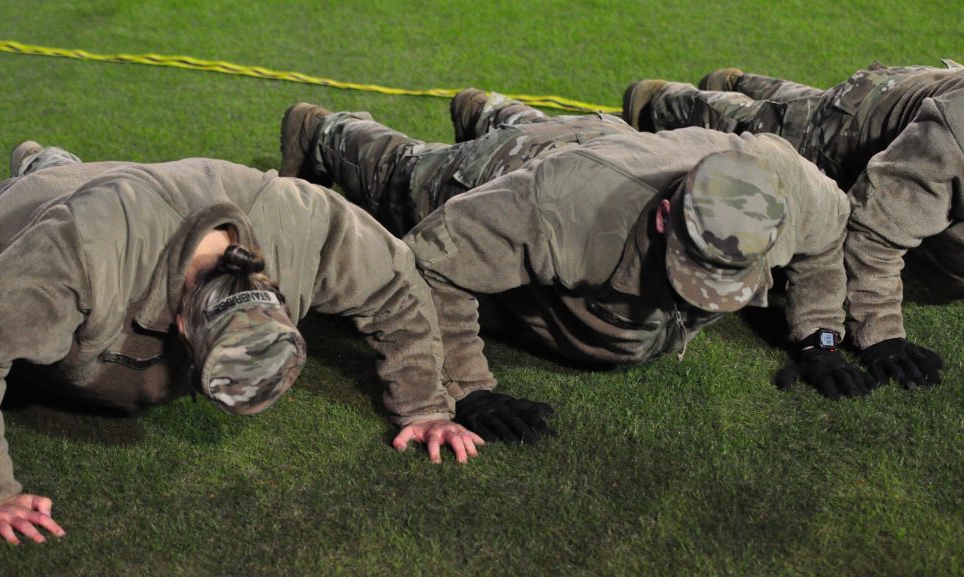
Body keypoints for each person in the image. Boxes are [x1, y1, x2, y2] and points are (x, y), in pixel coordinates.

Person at [0, 143, 485, 544]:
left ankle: (52, 163)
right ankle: (41, 166)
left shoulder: (304, 226)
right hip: (21, 218)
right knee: (36, 196)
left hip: (134, 195)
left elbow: (398, 286)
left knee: (84, 180)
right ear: (183, 326)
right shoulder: (77, 258)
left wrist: (424, 407)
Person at [278, 90, 873, 430]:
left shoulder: (791, 191)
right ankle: (330, 128)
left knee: (563, 139)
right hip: (521, 172)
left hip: (605, 141)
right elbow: (431, 264)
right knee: (409, 174)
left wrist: (819, 338)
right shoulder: (562, 209)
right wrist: (467, 388)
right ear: (666, 219)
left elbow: (828, 241)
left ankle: (486, 106)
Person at [622, 61, 964, 388]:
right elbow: (873, 232)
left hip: (910, 99)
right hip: (862, 121)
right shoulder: (954, 138)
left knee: (817, 108)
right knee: (774, 133)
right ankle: (658, 100)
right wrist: (881, 331)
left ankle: (735, 82)